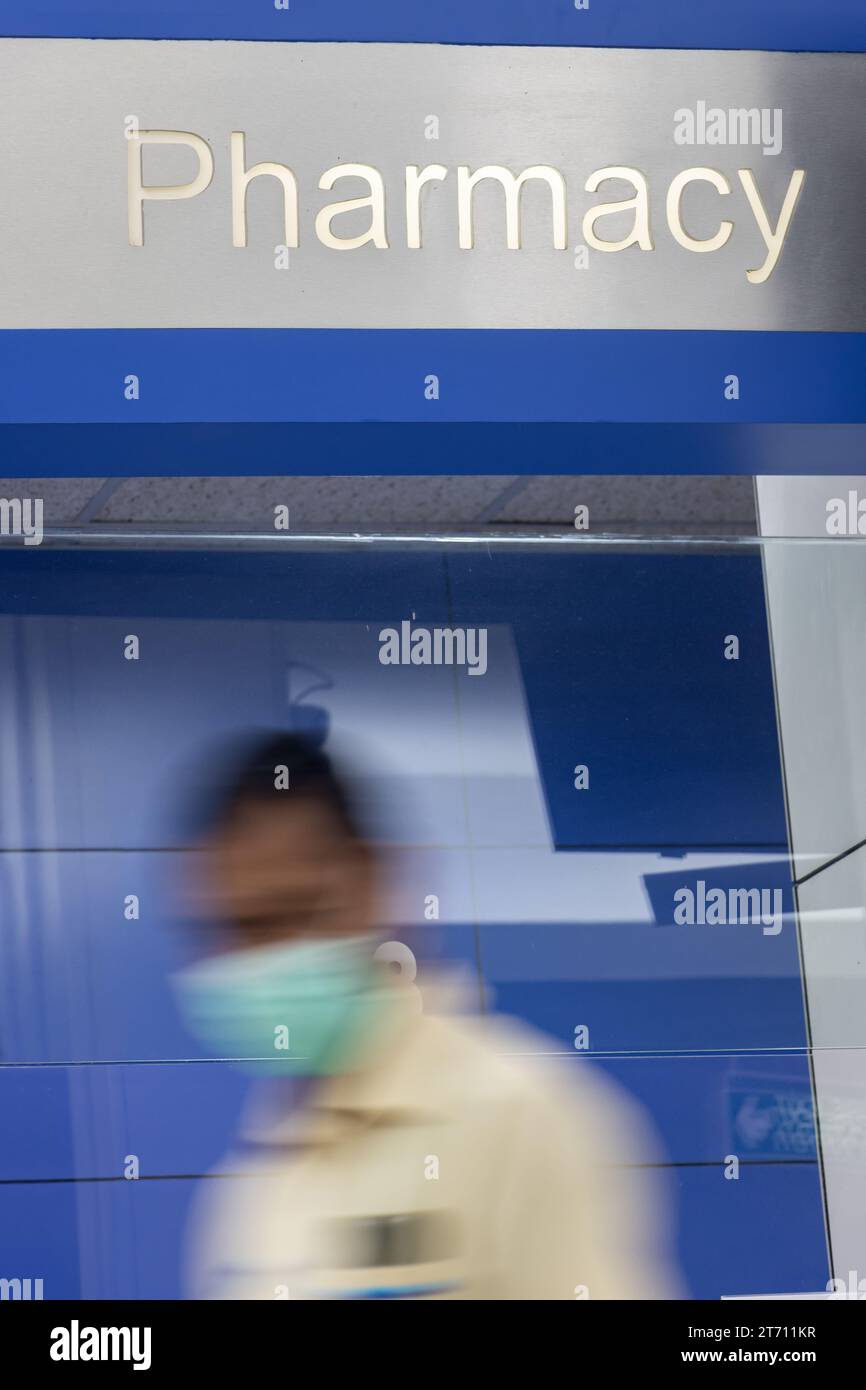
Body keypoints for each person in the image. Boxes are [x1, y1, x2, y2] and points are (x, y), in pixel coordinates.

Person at [173, 732, 681, 1300]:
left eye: (295, 909)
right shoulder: (250, 1186)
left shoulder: (521, 1117)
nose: (268, 957)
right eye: (241, 928)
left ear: (375, 886)